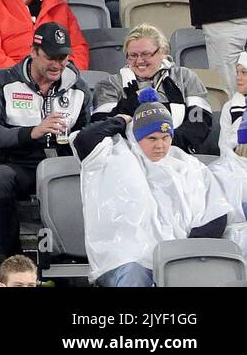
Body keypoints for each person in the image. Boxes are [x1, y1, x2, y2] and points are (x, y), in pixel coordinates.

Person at [77, 91, 231, 286]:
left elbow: (216, 215)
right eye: (152, 138)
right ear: (136, 136)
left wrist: (184, 252)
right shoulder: (112, 157)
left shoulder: (187, 165)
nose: (161, 145)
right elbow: (84, 139)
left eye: (166, 137)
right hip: (125, 257)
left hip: (178, 255)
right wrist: (121, 120)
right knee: (135, 276)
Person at [0, 20, 92, 256]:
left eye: (62, 58)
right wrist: (32, 132)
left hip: (64, 165)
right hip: (19, 164)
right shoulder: (4, 81)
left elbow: (87, 134)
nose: (57, 64)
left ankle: (70, 260)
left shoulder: (79, 88)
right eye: (50, 57)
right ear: (34, 52)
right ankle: (11, 260)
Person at [92, 25, 212, 155]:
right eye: (132, 55)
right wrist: (129, 104)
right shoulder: (110, 84)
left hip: (180, 152)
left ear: (162, 52)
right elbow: (102, 125)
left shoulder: (184, 77)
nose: (139, 61)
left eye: (146, 54)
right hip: (129, 156)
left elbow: (200, 119)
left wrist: (166, 143)